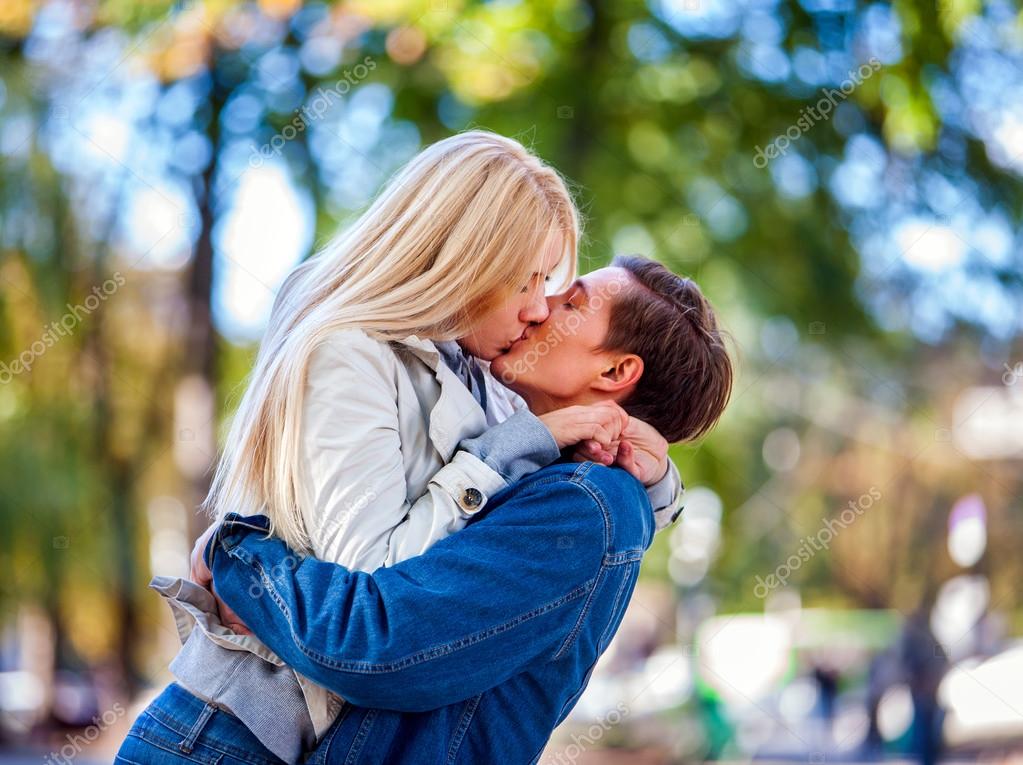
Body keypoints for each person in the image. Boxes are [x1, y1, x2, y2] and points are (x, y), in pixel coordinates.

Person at [117, 133, 684, 763]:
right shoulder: (349, 350)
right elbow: (374, 604)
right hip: (224, 738)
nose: (537, 309)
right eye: (526, 281)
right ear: (465, 261)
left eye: (550, 285)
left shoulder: (479, 373)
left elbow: (577, 515)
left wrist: (656, 479)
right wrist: (244, 563)